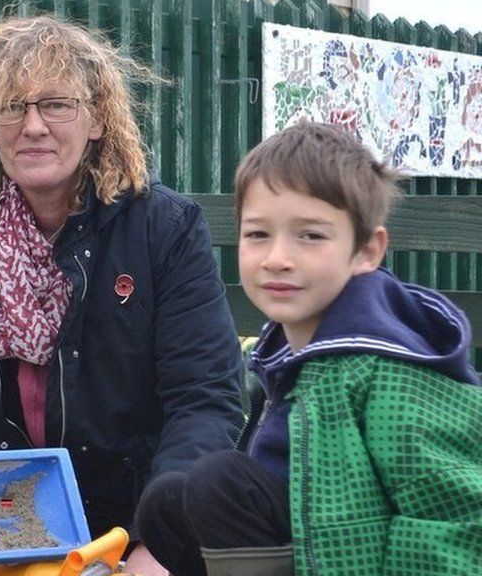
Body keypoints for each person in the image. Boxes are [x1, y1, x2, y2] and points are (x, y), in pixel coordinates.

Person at [0, 16, 244, 574]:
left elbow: (204, 400)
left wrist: (158, 542)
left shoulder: (163, 229)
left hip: (136, 523)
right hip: (10, 525)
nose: (33, 126)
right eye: (11, 107)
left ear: (97, 119)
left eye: (56, 105)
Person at [135, 121, 482, 576]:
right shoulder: (291, 350)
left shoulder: (387, 371)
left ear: (367, 250)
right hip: (311, 538)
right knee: (169, 501)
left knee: (219, 480)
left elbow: (454, 519)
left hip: (362, 561)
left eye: (311, 236)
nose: (278, 258)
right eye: (258, 234)